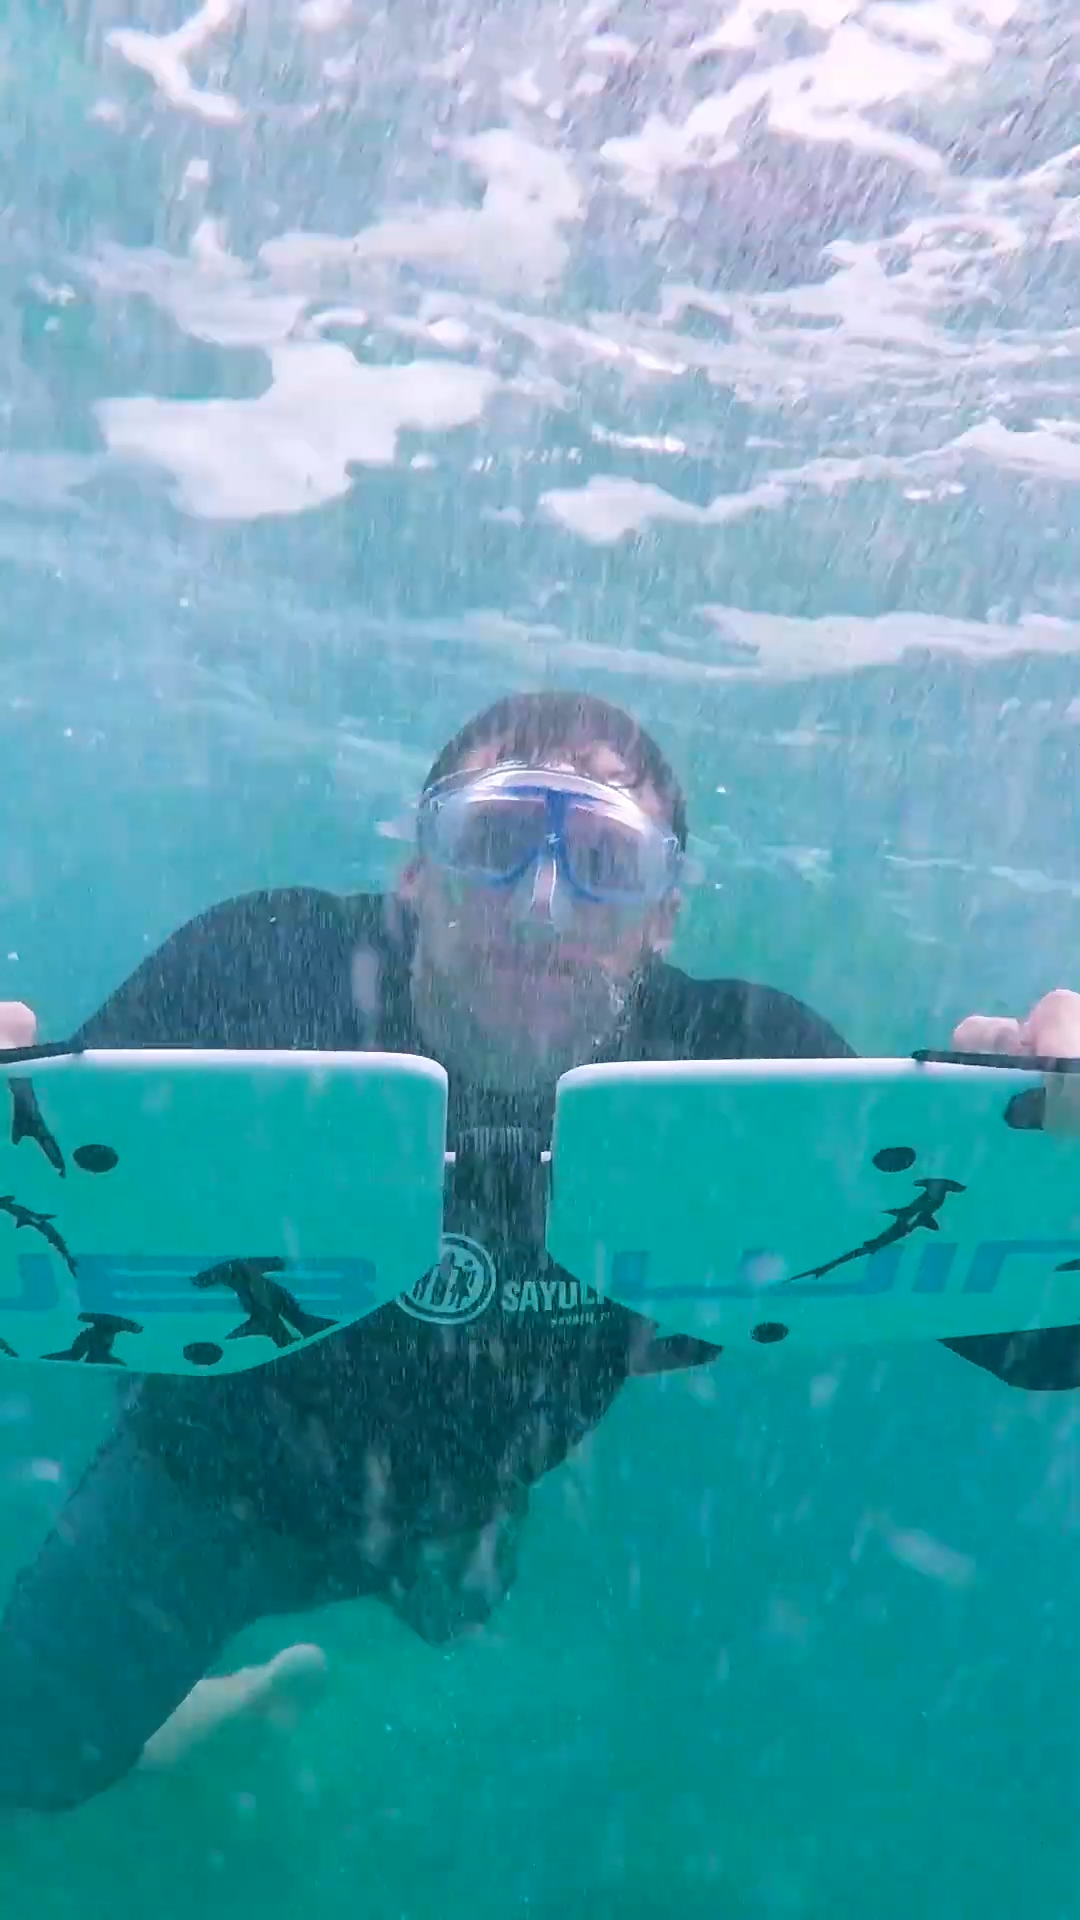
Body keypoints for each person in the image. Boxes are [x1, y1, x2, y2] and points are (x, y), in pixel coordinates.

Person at [0, 688, 1077, 1815]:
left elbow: (1032, 1338)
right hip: (195, 1480)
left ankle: (263, 1678)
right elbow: (54, 1193)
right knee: (32, 1767)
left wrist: (1047, 1184)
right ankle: (203, 1719)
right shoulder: (256, 976)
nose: (545, 905)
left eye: (605, 860)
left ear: (663, 911)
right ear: (415, 871)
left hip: (460, 1515)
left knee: (450, 1612)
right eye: (498, 843)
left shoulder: (732, 1068)